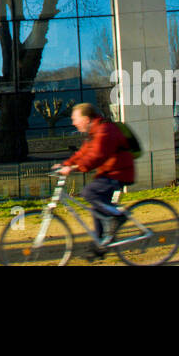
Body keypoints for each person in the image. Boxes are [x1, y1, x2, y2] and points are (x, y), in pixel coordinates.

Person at [53, 103, 134, 257]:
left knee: (89, 192)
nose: (73, 123)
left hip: (119, 172)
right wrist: (65, 164)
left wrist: (74, 168)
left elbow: (97, 156)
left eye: (75, 119)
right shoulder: (94, 131)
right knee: (97, 208)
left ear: (85, 118)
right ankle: (100, 245)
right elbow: (83, 153)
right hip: (109, 172)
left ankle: (118, 216)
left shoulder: (105, 130)